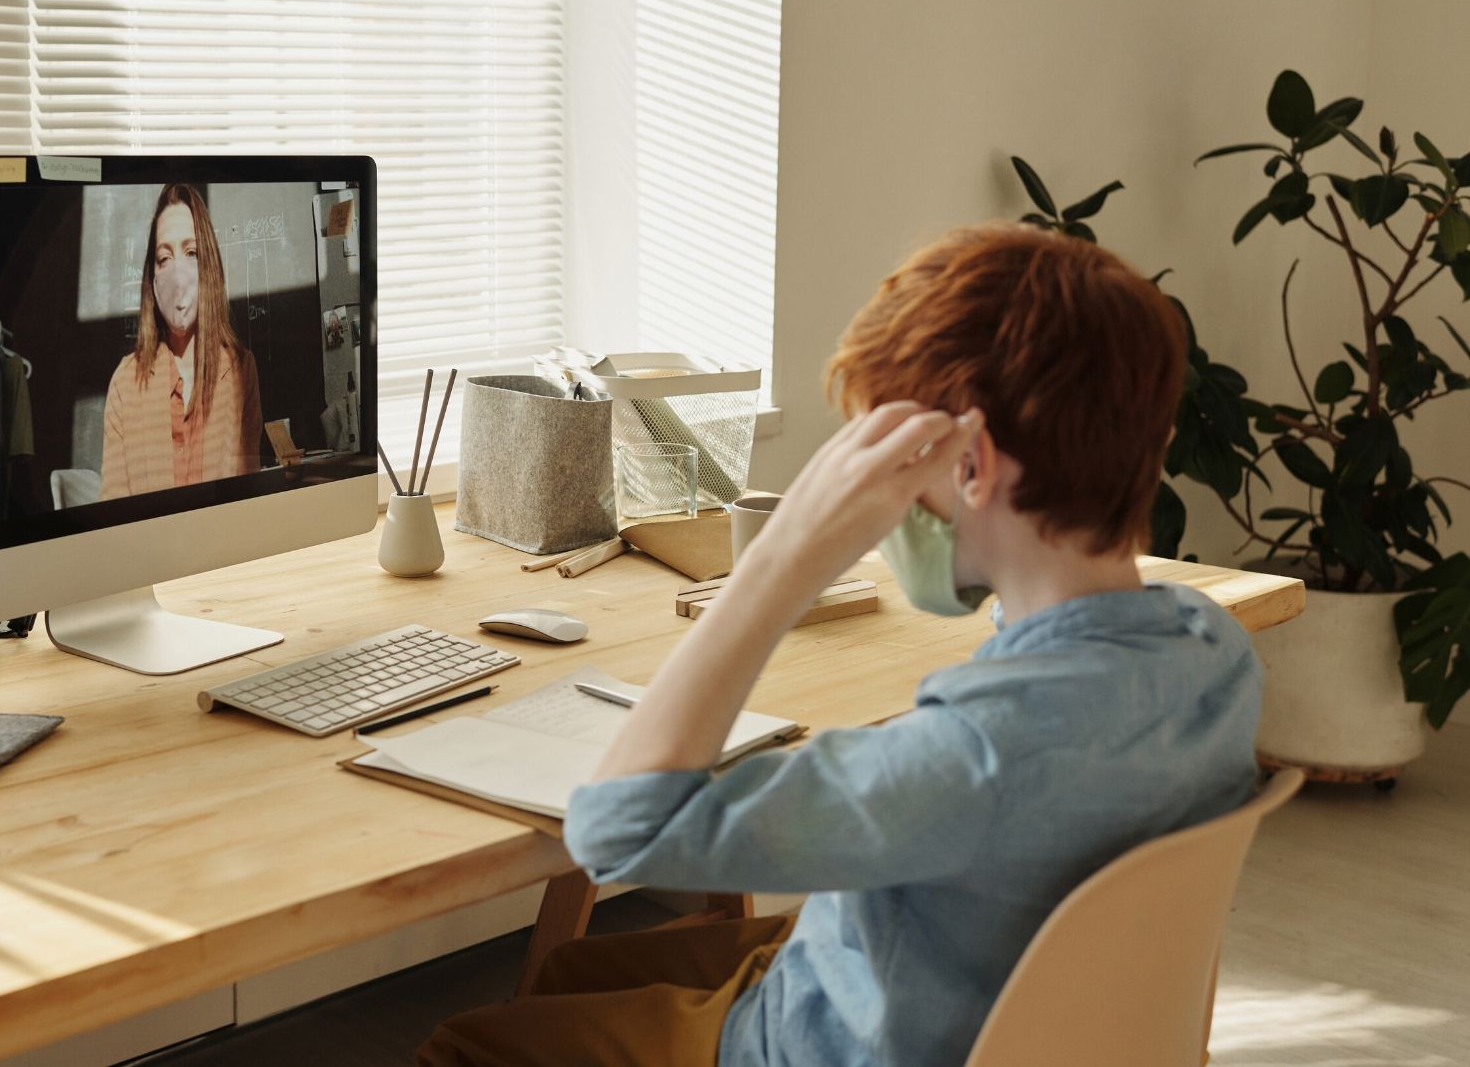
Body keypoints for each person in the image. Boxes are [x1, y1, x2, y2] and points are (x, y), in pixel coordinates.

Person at [418, 223, 1263, 1066]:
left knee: (467, 1043)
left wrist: (780, 563)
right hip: (988, 998)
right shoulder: (1214, 652)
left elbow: (618, 829)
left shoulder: (971, 755)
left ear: (971, 464)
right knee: (572, 971)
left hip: (828, 1042)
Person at [99, 184, 263, 500]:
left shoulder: (241, 371)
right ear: (152, 279)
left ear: (209, 267)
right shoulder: (125, 383)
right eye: (164, 258)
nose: (178, 274)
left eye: (191, 253)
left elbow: (246, 501)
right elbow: (113, 511)